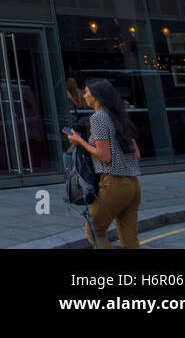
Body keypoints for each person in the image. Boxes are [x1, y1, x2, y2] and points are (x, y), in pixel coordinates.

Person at [65, 78, 142, 249]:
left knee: (93, 231)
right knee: (130, 241)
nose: (84, 95)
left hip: (113, 183)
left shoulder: (98, 117)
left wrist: (80, 142)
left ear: (96, 96)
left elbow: (105, 157)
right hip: (133, 185)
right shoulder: (119, 117)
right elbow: (137, 155)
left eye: (86, 91)